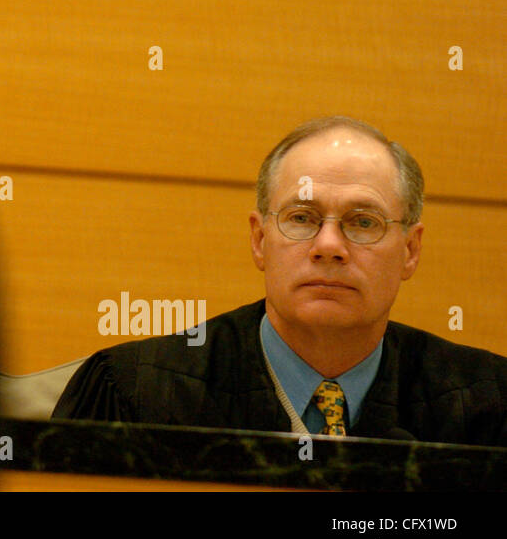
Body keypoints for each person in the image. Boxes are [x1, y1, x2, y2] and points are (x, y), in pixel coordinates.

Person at [52, 115, 507, 447]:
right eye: (302, 217)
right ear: (258, 239)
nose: (329, 245)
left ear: (410, 250)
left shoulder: (487, 407)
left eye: (363, 222)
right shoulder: (138, 395)